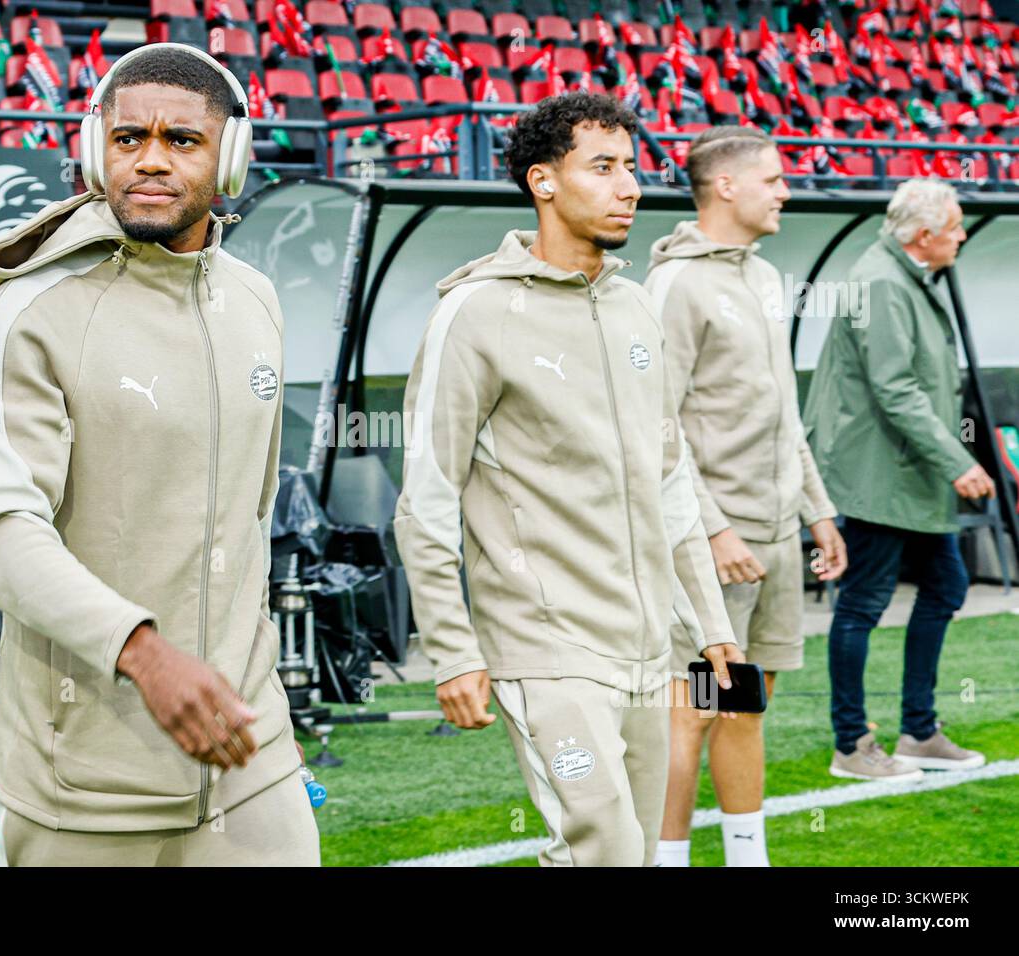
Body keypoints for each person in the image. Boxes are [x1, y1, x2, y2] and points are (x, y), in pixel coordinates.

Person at [0, 43, 318, 866]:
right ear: (96, 150)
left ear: (231, 158)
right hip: (86, 782)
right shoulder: (33, 310)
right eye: (129, 139)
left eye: (182, 140)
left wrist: (252, 690)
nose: (150, 160)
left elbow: (249, 522)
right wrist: (146, 655)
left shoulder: (256, 300)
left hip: (248, 754)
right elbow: (2, 535)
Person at [393, 92, 742, 867]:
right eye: (603, 167)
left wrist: (711, 625)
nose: (630, 187)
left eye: (632, 167)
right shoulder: (474, 313)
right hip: (544, 646)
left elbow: (672, 480)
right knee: (601, 849)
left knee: (639, 852)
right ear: (543, 181)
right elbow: (427, 499)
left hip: (648, 649)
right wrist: (452, 649)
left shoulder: (634, 307)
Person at [645, 125, 847, 868]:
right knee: (692, 710)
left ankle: (746, 858)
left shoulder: (763, 277)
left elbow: (782, 412)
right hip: (711, 548)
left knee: (746, 705)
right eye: (774, 179)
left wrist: (817, 509)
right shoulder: (673, 284)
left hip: (775, 539)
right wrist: (714, 528)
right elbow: (656, 425)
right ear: (725, 186)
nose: (785, 191)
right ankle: (667, 861)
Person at [804, 178, 992, 781]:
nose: (962, 236)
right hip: (876, 472)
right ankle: (851, 744)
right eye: (955, 227)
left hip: (905, 470)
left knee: (945, 585)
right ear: (924, 235)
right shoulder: (883, 282)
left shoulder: (899, 274)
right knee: (863, 603)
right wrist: (957, 461)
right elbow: (896, 389)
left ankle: (918, 731)